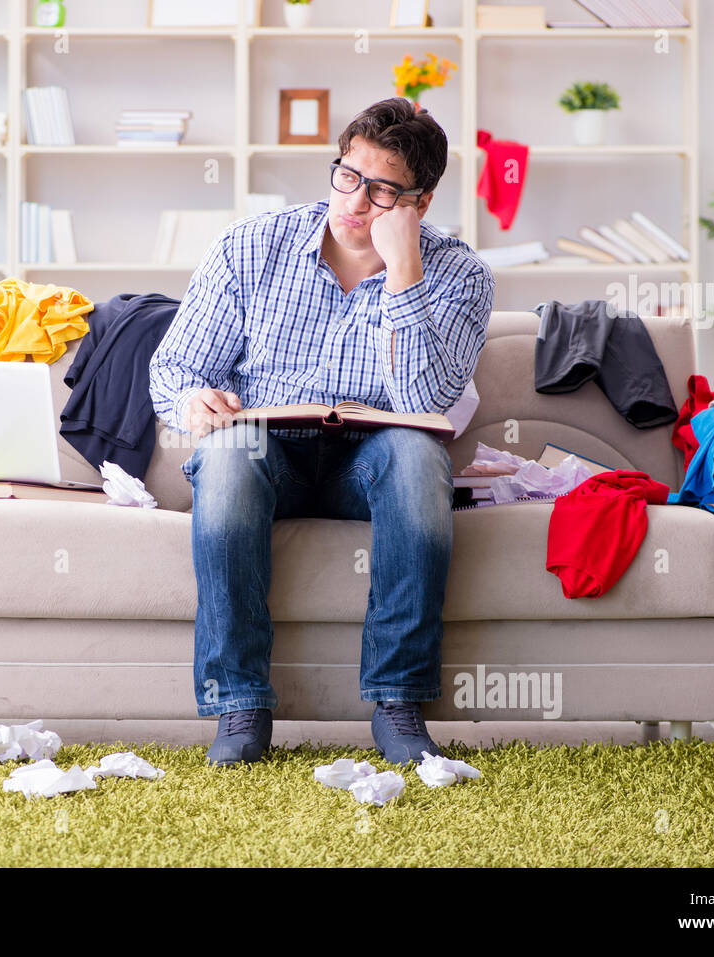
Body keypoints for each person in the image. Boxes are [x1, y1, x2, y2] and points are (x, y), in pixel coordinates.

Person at [148, 97, 495, 766]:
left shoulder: (460, 276)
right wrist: (195, 400)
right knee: (225, 456)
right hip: (267, 454)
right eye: (347, 175)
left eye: (383, 189)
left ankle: (398, 700)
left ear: (419, 204)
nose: (356, 201)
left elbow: (427, 403)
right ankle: (239, 703)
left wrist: (404, 275)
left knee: (419, 457)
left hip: (371, 462)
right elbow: (176, 369)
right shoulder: (252, 246)